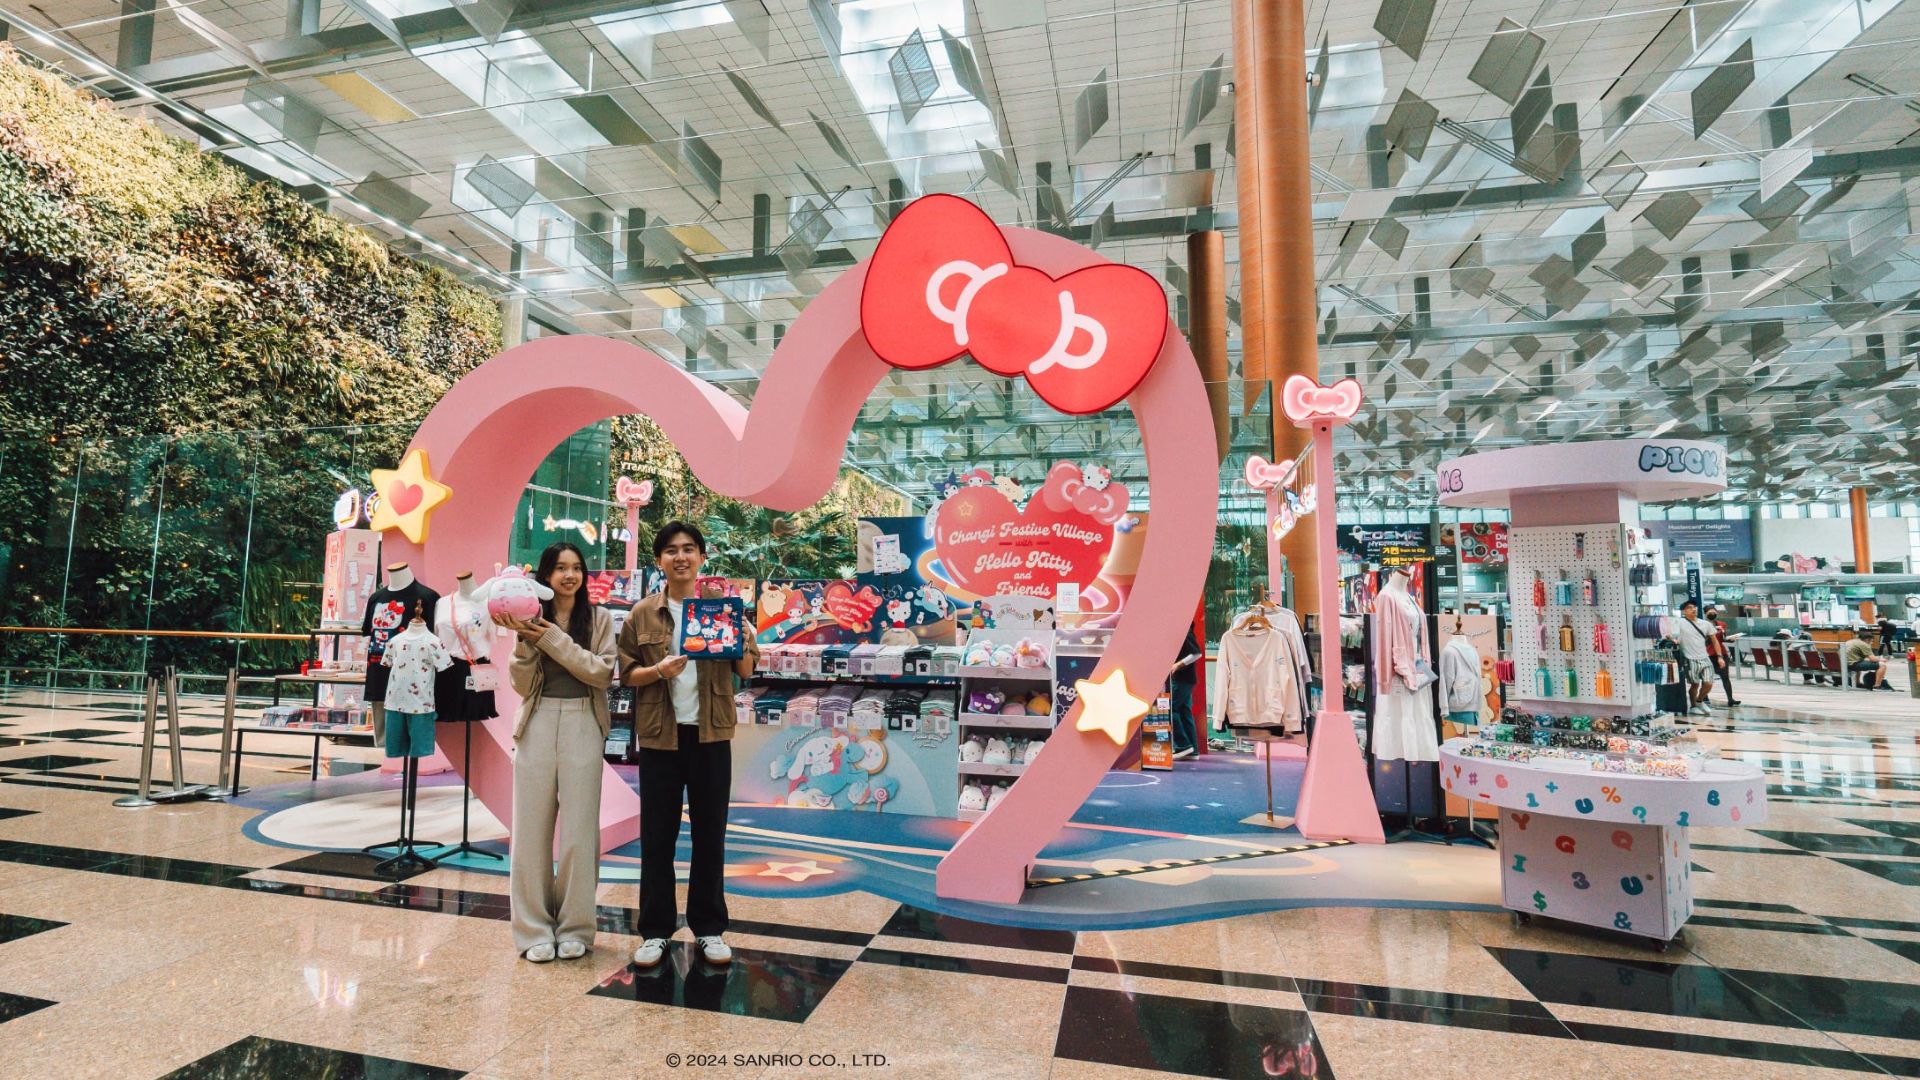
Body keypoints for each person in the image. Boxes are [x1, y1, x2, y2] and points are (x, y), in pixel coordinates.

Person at [618, 522, 759, 969]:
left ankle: (709, 928)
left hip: (710, 733)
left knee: (710, 834)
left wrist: (738, 639)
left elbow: (748, 671)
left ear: (701, 557)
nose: (681, 557)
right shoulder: (642, 613)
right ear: (659, 560)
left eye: (689, 549)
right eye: (672, 550)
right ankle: (655, 930)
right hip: (661, 735)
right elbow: (626, 675)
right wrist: (659, 670)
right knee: (657, 836)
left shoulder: (722, 609)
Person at [501, 541, 616, 963]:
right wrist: (526, 642)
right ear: (545, 577)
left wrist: (550, 638)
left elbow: (600, 673)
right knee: (530, 830)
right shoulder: (529, 618)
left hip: (584, 720)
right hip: (537, 721)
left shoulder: (599, 618)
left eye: (576, 568)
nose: (569, 576)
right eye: (559, 569)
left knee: (580, 831)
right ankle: (532, 931)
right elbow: (520, 682)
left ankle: (576, 929)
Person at [1669, 600, 1717, 715]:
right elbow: (1669, 633)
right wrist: (1672, 639)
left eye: (1694, 607)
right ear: (1684, 611)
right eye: (1690, 608)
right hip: (1689, 659)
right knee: (1695, 684)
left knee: (1708, 683)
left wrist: (1719, 657)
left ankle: (1700, 700)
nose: (1694, 609)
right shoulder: (1679, 622)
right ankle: (1693, 706)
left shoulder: (1706, 624)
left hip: (1705, 658)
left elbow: (1715, 642)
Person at [1167, 626, 1201, 760]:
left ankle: (1183, 745)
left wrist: (1177, 665)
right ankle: (1192, 750)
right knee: (1184, 711)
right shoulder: (1184, 630)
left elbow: (1196, 653)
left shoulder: (1184, 631)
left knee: (1171, 708)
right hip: (1185, 679)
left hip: (1182, 679)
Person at [1703, 606, 1742, 708]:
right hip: (1708, 654)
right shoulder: (1703, 625)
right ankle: (1705, 697)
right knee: (1707, 677)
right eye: (1710, 612)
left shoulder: (1722, 624)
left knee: (1725, 676)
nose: (1713, 614)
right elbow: (1704, 641)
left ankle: (1730, 699)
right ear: (1706, 614)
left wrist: (1730, 639)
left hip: (1722, 653)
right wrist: (1711, 633)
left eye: (1714, 612)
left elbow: (1723, 638)